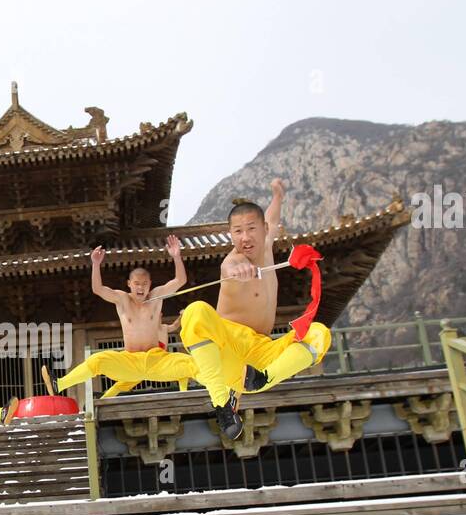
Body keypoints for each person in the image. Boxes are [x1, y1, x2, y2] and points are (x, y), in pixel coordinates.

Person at [179, 179, 331, 438]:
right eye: (237, 231)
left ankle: (264, 378)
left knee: (319, 333)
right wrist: (236, 269)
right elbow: (231, 266)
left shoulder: (267, 245)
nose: (245, 237)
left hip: (261, 354)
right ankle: (221, 402)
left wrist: (278, 197)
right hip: (229, 349)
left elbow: (271, 216)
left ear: (264, 229)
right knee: (195, 312)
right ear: (231, 234)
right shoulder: (233, 260)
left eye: (251, 229)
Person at [46, 235, 196, 399]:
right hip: (129, 361)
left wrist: (176, 256)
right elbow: (98, 289)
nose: (141, 288)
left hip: (157, 360)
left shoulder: (157, 296)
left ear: (150, 284)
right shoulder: (122, 299)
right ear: (129, 284)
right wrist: (95, 264)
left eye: (144, 284)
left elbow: (180, 280)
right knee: (97, 360)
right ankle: (60, 384)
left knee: (191, 363)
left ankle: (221, 395)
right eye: (137, 284)